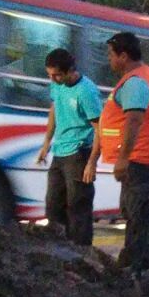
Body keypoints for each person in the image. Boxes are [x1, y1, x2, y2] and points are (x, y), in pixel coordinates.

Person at [85, 32, 149, 271]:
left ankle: (136, 270)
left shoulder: (136, 82)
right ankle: (136, 267)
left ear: (123, 56)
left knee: (139, 217)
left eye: (111, 55)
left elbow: (134, 120)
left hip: (141, 160)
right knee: (135, 213)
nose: (109, 59)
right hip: (142, 159)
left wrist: (123, 159)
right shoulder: (140, 77)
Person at [36, 48, 101, 246]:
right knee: (53, 206)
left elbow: (100, 128)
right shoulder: (57, 85)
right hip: (60, 151)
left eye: (56, 75)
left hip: (79, 153)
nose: (53, 79)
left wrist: (92, 162)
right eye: (49, 75)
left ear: (70, 70)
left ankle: (82, 253)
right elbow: (54, 109)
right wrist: (46, 144)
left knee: (77, 208)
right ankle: (58, 251)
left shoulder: (86, 91)